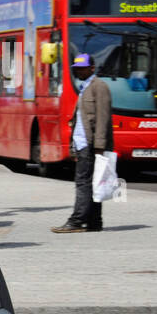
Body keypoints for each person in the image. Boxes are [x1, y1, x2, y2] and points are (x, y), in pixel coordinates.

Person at [52, 53, 112, 233]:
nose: (78, 71)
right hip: (82, 143)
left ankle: (77, 221)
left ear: (92, 68)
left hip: (92, 144)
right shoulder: (85, 86)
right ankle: (94, 222)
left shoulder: (99, 86)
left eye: (82, 68)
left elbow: (103, 117)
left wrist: (100, 145)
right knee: (92, 183)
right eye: (76, 68)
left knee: (83, 183)